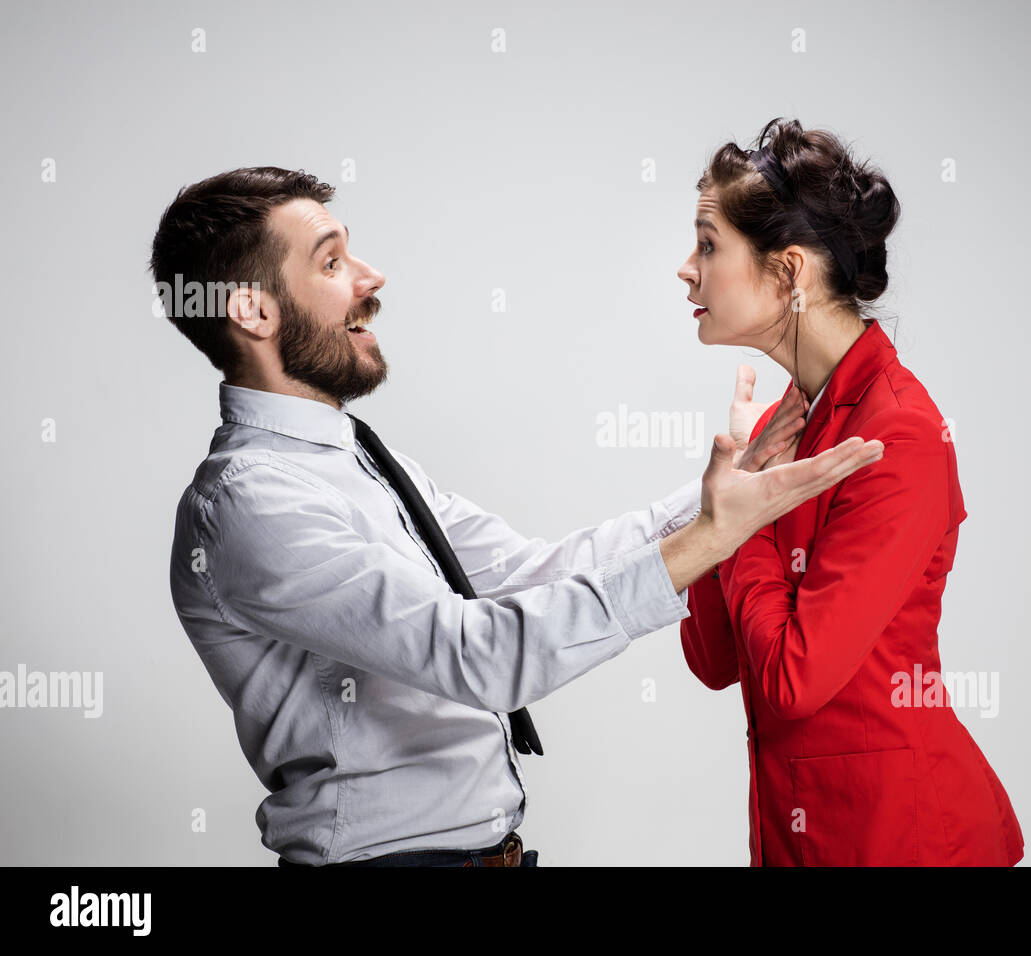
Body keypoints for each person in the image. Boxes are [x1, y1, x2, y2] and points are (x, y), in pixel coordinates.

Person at [153, 166, 882, 867]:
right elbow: (480, 657)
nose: (371, 278)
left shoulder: (360, 461)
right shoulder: (252, 502)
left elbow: (534, 573)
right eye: (333, 262)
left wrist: (726, 494)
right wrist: (709, 541)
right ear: (253, 310)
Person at [677, 118, 1025, 866]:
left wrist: (750, 517)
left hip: (905, 838)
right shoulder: (780, 424)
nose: (687, 269)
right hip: (805, 834)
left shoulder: (898, 434)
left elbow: (790, 680)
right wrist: (725, 510)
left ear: (788, 272)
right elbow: (710, 657)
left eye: (708, 244)